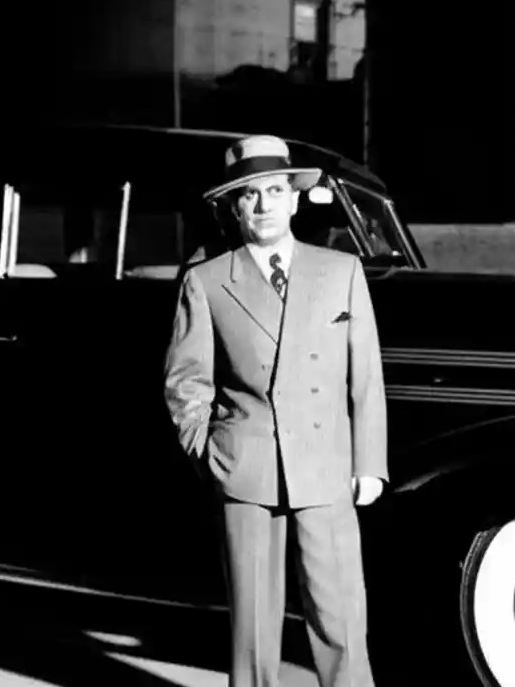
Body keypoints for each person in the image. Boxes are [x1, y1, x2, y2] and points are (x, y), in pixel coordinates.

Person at [163, 134, 388, 687]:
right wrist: (208, 450)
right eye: (248, 196)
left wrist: (369, 463)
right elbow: (186, 380)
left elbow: (365, 377)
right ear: (232, 208)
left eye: (274, 191)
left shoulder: (341, 272)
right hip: (246, 469)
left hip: (327, 468)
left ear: (294, 198)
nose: (263, 206)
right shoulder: (208, 280)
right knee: (254, 629)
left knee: (340, 619)